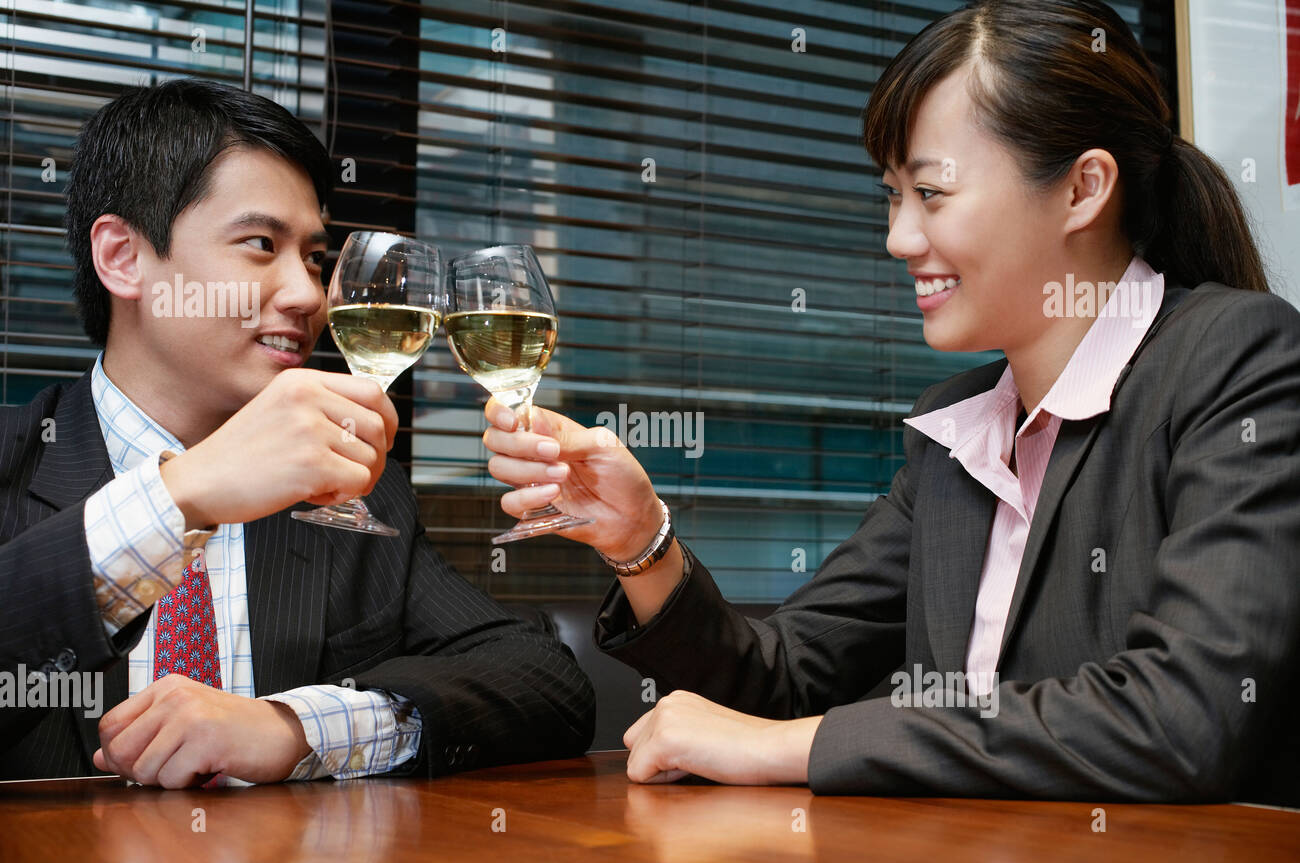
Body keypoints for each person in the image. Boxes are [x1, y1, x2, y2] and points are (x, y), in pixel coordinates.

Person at [481, 0, 1300, 804]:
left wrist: (791, 747)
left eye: (932, 194)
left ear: (1084, 189)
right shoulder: (961, 427)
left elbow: (1184, 719)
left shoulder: (1236, 359)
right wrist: (641, 541)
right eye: (891, 195)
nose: (899, 238)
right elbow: (781, 679)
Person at [0, 79, 595, 788]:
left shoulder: (356, 487)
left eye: (313, 258)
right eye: (260, 244)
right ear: (124, 258)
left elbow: (545, 682)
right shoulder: (14, 461)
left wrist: (300, 726)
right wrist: (180, 496)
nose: (310, 294)